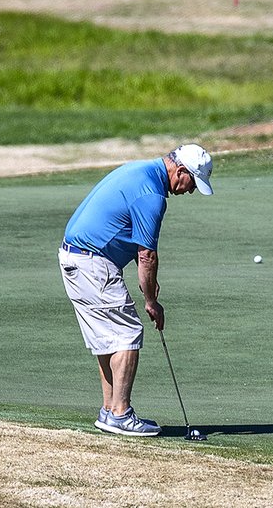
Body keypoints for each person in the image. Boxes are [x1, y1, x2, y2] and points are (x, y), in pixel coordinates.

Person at [59, 144, 214, 436]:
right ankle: (120, 413)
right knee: (127, 334)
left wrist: (148, 284)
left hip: (75, 257)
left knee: (108, 338)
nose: (190, 190)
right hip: (92, 261)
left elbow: (128, 234)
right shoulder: (152, 195)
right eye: (192, 182)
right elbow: (146, 256)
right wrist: (151, 301)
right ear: (180, 171)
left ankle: (109, 411)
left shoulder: (139, 170)